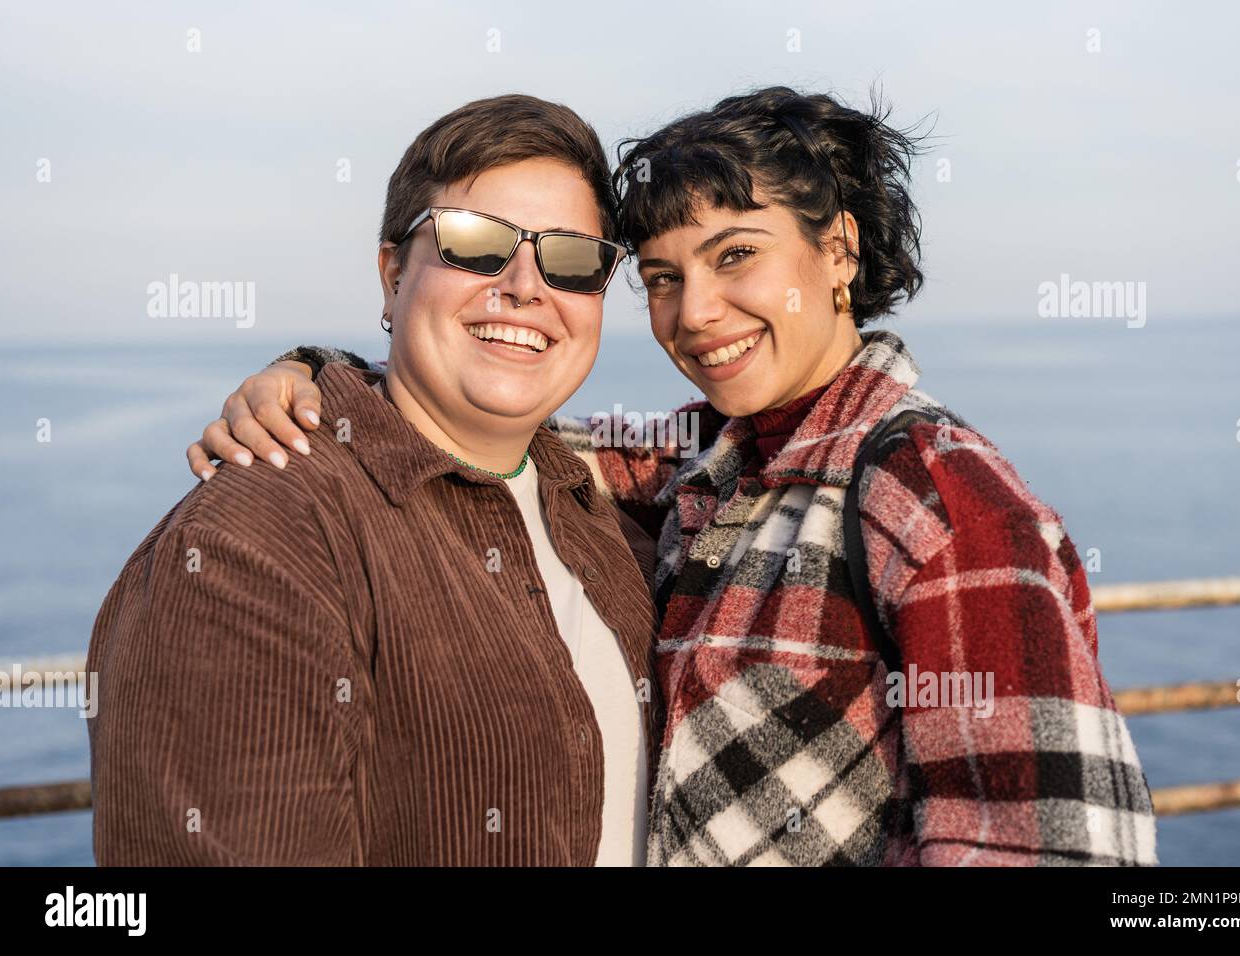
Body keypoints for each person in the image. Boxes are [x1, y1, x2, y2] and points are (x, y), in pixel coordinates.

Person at [187, 86, 1158, 866]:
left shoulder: (935, 493)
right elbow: (484, 426)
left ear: (837, 250)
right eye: (659, 276)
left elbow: (1057, 841)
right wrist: (318, 377)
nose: (694, 313)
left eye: (735, 254)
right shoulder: (704, 461)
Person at [88, 94, 661, 866]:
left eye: (572, 258)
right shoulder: (256, 540)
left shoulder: (611, 508)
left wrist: (308, 363)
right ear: (392, 274)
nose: (526, 285)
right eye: (473, 243)